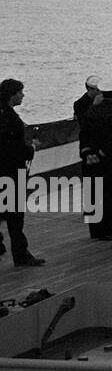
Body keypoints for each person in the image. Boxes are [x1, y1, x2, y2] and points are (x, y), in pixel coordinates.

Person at [0, 79, 44, 267]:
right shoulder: (9, 118)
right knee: (15, 215)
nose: (23, 95)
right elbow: (13, 148)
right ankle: (20, 253)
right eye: (20, 92)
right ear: (12, 95)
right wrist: (32, 148)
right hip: (11, 171)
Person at [79, 79, 112, 241]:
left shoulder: (92, 110)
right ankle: (108, 228)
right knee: (109, 193)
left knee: (92, 192)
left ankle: (95, 230)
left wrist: (87, 153)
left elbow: (84, 134)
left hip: (89, 158)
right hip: (107, 159)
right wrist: (102, 153)